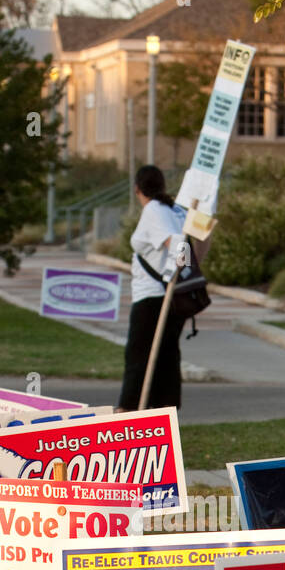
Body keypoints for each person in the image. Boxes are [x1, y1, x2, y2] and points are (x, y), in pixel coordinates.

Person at [118, 165, 187, 411]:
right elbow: (190, 244)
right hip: (167, 297)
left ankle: (127, 413)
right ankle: (163, 413)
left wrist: (173, 272)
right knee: (165, 358)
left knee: (138, 356)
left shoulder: (154, 211)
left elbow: (178, 244)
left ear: (137, 188)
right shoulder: (173, 210)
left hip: (153, 297)